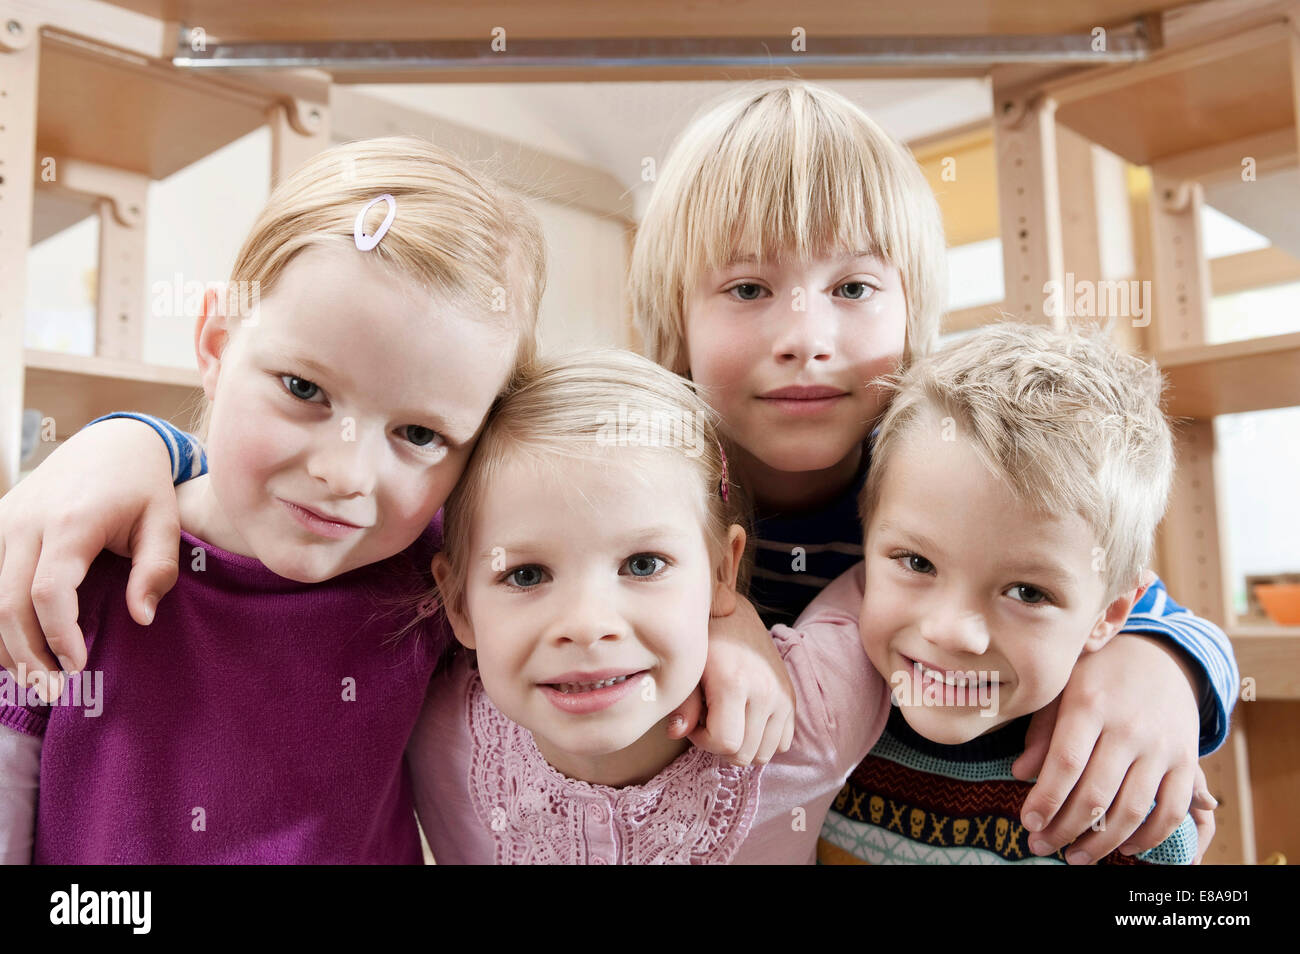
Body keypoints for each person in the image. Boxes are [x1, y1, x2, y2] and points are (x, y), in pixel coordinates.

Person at [626, 80, 1233, 861]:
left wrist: (1161, 668)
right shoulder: (642, 481)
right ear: (675, 318)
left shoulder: (940, 475)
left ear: (915, 314)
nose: (806, 336)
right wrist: (714, 614)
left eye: (853, 287)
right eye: (748, 287)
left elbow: (1125, 592)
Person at [0, 135, 547, 862]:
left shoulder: (444, 579)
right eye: (304, 389)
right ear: (216, 344)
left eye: (418, 433)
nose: (345, 472)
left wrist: (728, 632)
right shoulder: (69, 568)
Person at [407, 349, 888, 864]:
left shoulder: (811, 719)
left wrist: (732, 618)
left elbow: (907, 576)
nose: (587, 626)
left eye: (643, 565)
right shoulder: (423, 722)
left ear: (723, 570)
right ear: (458, 603)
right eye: (526, 575)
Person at [814, 322, 1205, 864]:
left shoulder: (1123, 806)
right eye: (917, 562)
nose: (951, 631)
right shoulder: (806, 732)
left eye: (1027, 592)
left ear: (1109, 614)